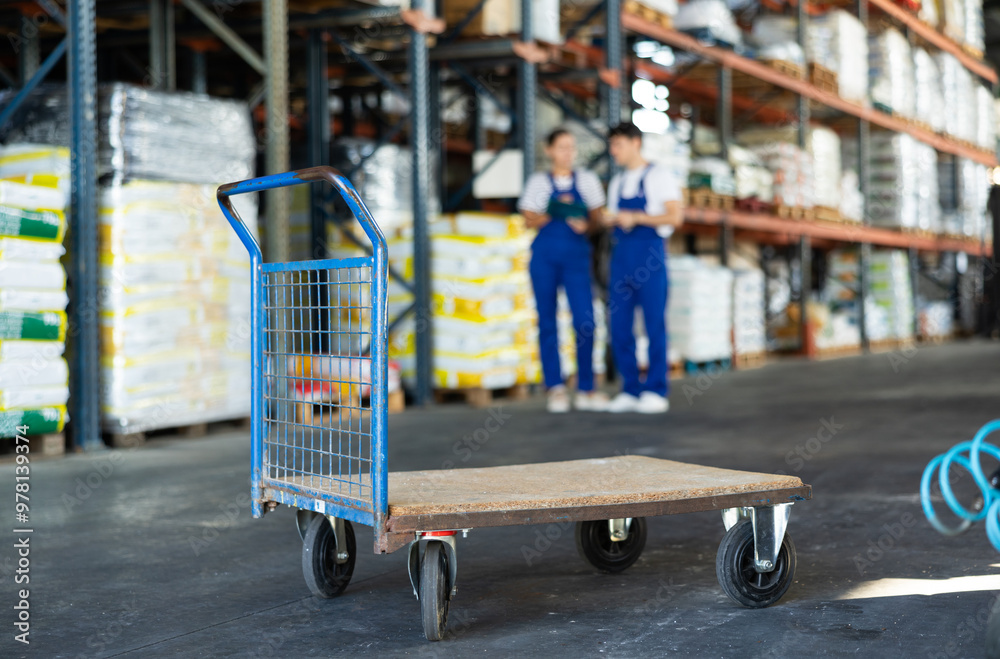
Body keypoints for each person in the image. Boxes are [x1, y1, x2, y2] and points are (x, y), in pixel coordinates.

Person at [518, 129, 609, 413]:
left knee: (584, 321)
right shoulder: (537, 183)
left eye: (571, 148)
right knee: (547, 322)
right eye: (561, 147)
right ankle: (555, 387)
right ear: (549, 150)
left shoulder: (588, 181)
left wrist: (587, 225)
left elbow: (599, 218)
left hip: (576, 258)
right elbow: (527, 219)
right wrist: (548, 215)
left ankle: (585, 387)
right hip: (544, 257)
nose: (567, 153)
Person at [603, 122, 684, 414]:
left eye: (618, 145)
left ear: (635, 142)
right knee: (620, 326)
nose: (613, 151)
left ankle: (656, 389)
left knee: (654, 324)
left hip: (649, 258)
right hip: (621, 256)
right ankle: (630, 388)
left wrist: (636, 217)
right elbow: (614, 216)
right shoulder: (617, 183)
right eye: (611, 145)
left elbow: (675, 217)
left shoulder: (659, 176)